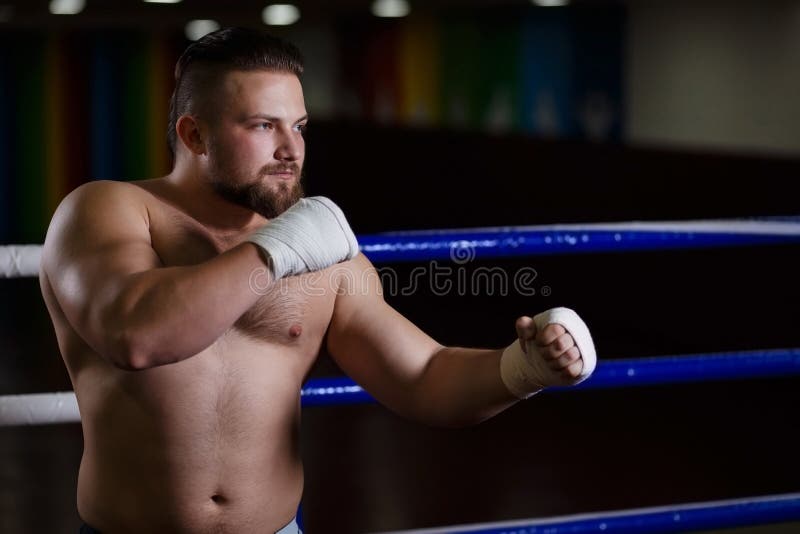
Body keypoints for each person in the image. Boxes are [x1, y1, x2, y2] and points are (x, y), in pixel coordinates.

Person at [39, 27, 596, 534]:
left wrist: (524, 368)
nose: (292, 149)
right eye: (263, 126)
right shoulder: (110, 209)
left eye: (299, 126)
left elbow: (423, 374)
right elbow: (137, 334)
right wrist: (280, 250)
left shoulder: (317, 250)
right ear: (195, 136)